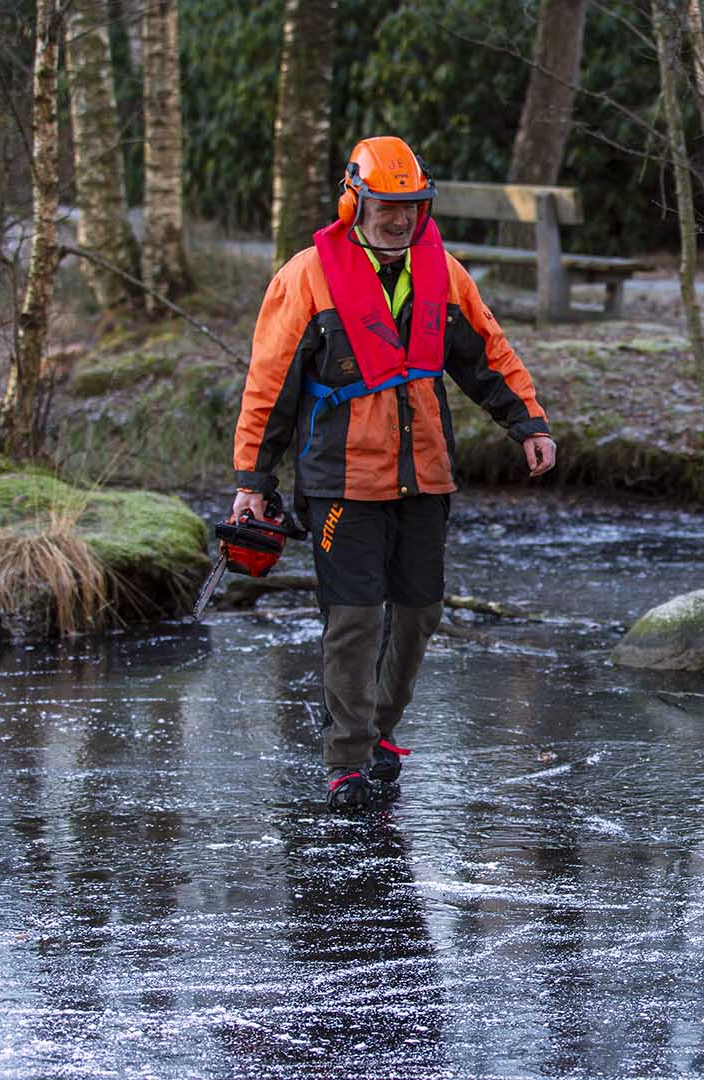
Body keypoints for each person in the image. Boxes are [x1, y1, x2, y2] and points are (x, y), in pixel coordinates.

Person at [230, 135, 556, 811]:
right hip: (339, 481)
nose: (400, 217)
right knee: (352, 622)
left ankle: (376, 730)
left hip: (426, 476)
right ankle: (346, 759)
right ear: (357, 201)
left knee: (419, 614)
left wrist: (528, 422)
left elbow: (488, 355)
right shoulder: (306, 276)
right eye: (387, 204)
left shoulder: (444, 273)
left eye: (412, 205)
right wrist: (251, 482)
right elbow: (269, 386)